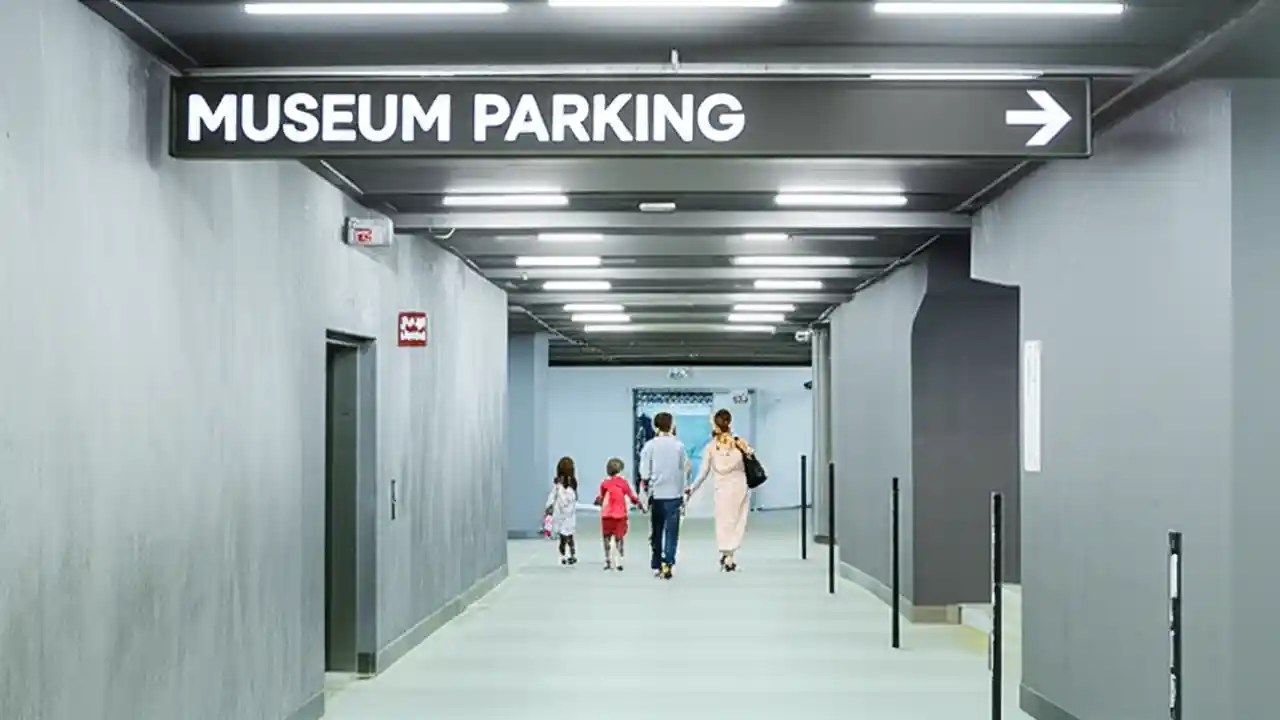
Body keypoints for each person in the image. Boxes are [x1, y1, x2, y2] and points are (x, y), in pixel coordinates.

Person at [687, 409, 754, 572]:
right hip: (740, 487)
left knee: (724, 522)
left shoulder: (711, 447)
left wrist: (691, 488)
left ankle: (725, 551)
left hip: (722, 489)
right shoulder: (740, 444)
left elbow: (703, 472)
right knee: (738, 521)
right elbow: (751, 459)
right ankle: (730, 555)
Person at [639, 412, 689, 580]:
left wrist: (644, 492)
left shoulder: (649, 446)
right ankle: (668, 562)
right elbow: (684, 470)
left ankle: (656, 563)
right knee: (672, 532)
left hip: (657, 495)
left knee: (657, 531)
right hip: (674, 494)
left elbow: (644, 473)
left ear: (655, 426)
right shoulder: (679, 446)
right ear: (672, 425)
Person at [595, 457, 642, 571]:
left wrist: (597, 502)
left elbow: (601, 498)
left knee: (606, 537)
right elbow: (631, 496)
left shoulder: (604, 483)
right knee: (619, 538)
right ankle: (619, 560)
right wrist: (639, 503)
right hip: (619, 515)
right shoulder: (623, 483)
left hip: (606, 515)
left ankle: (607, 559)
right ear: (620, 470)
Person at [545, 457, 579, 566]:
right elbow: (574, 497)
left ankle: (563, 556)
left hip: (560, 513)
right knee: (570, 536)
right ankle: (572, 555)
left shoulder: (558, 484)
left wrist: (549, 506)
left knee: (563, 538)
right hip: (569, 514)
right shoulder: (572, 483)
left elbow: (552, 496)